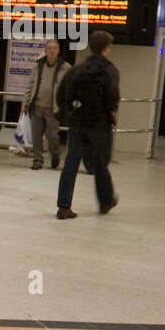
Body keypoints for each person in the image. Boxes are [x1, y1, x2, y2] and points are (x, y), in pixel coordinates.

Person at [55, 31, 120, 218]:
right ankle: (106, 201)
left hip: (77, 123)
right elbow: (113, 98)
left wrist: (70, 113)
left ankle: (63, 206)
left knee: (71, 162)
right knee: (100, 163)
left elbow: (61, 95)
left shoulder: (76, 70)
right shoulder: (110, 70)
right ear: (106, 48)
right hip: (100, 125)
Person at [22, 39, 71, 170]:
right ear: (45, 50)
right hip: (37, 106)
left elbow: (70, 86)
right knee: (36, 136)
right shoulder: (38, 66)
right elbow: (30, 85)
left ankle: (55, 155)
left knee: (52, 136)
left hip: (53, 108)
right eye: (49, 48)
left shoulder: (65, 67)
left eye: (54, 48)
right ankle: (38, 160)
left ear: (58, 50)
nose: (52, 51)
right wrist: (26, 101)